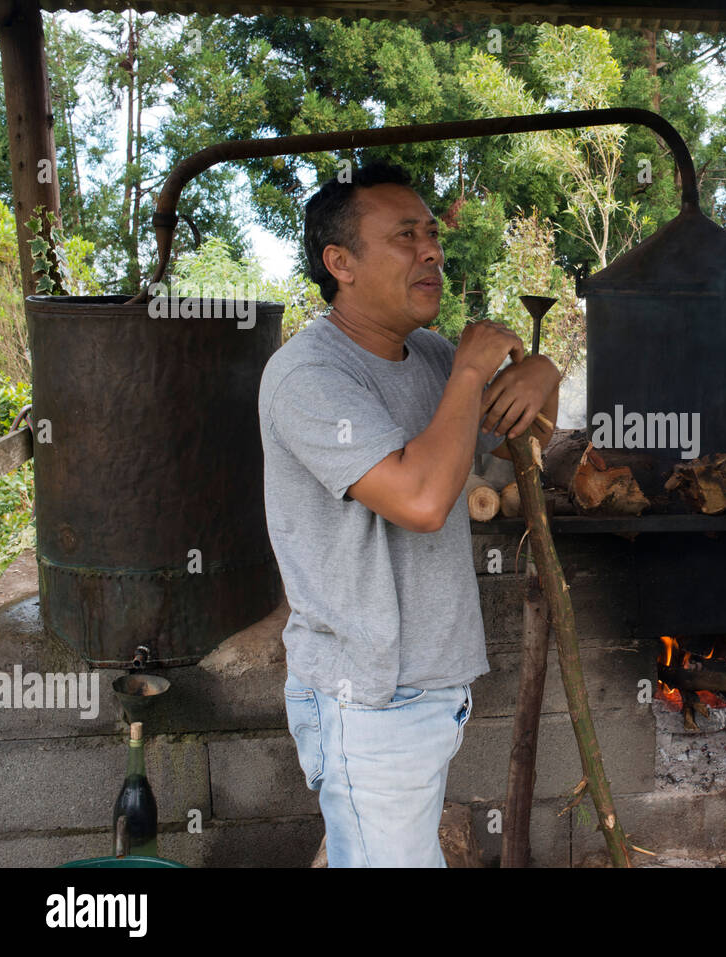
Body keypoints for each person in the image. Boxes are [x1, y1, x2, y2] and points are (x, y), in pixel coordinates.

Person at [258, 161, 561, 867]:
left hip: (427, 687)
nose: (431, 249)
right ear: (342, 263)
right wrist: (468, 369)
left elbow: (527, 439)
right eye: (404, 236)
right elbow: (422, 500)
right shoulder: (309, 376)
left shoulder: (425, 356)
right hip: (369, 698)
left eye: (431, 232)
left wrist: (545, 373)